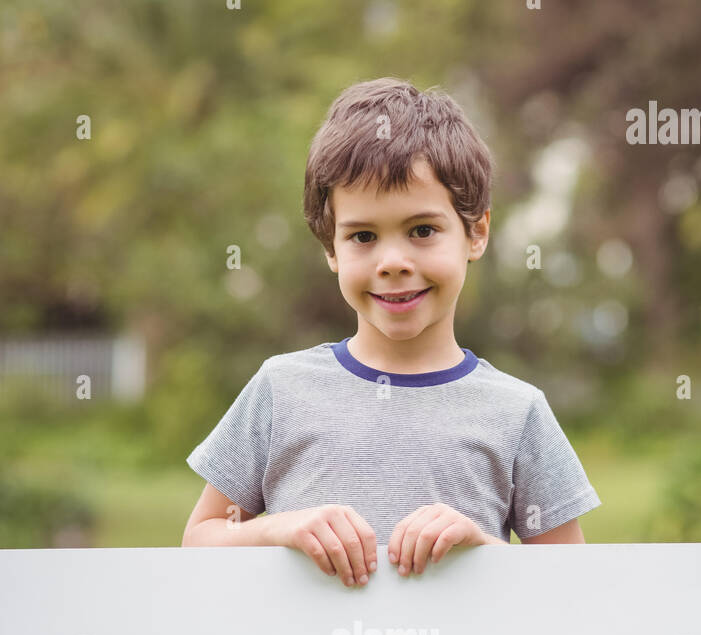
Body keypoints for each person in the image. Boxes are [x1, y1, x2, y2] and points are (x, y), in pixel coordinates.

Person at [182, 77, 601, 586]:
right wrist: (278, 530)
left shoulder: (519, 412)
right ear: (331, 249)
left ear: (477, 232)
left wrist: (483, 550)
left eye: (422, 230)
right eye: (363, 236)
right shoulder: (279, 389)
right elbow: (198, 543)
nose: (393, 262)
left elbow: (572, 589)